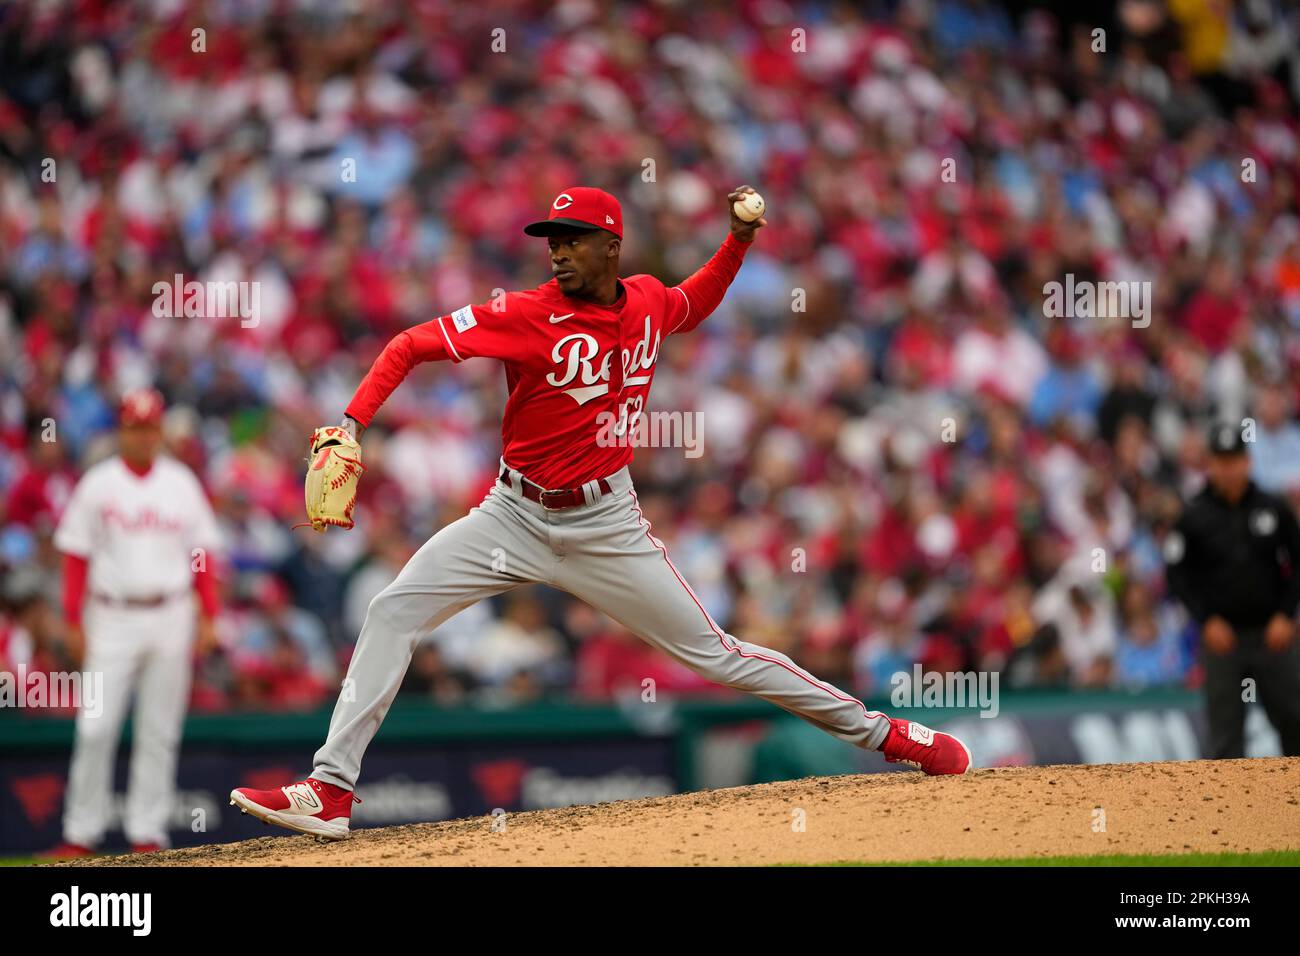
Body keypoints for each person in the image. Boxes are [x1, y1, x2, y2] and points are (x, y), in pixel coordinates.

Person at [230, 186, 972, 840]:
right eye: (550, 242)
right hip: (509, 517)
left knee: (716, 652)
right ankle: (330, 791)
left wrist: (738, 241)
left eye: (571, 241)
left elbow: (696, 299)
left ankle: (888, 735)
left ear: (610, 246)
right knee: (392, 611)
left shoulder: (646, 299)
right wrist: (353, 420)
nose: (556, 254)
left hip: (605, 524)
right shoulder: (523, 315)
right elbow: (409, 344)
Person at [42, 388, 223, 856]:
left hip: (172, 612)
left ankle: (149, 834)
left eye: (150, 427)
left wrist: (209, 614)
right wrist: (72, 620)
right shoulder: (99, 483)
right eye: (134, 427)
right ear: (122, 430)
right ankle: (80, 833)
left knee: (158, 730)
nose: (143, 435)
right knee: (96, 726)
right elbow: (76, 555)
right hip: (112, 615)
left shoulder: (181, 482)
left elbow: (201, 553)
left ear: (160, 430)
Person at [1164, 423, 1300, 758]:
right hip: (1222, 640)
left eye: (1235, 460)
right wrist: (1206, 620)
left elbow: (1298, 562)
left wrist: (1286, 614)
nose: (1229, 469)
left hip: (1272, 635)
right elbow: (1177, 574)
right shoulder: (1194, 516)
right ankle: (1228, 810)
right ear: (1211, 464)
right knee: (1225, 734)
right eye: (1222, 461)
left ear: (1247, 462)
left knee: (1296, 720)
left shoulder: (1273, 508)